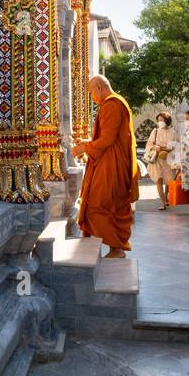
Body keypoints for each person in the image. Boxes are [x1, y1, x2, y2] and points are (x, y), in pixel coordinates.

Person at [73, 75, 139, 258]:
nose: (93, 97)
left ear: (100, 88)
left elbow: (108, 139)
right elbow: (110, 136)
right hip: (108, 160)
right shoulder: (114, 103)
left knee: (100, 203)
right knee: (103, 203)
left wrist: (83, 147)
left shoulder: (112, 104)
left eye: (92, 93)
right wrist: (88, 141)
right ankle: (111, 246)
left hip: (112, 163)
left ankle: (116, 248)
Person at [144, 112, 179, 211]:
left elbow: (176, 145)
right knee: (158, 180)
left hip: (168, 159)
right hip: (157, 159)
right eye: (158, 120)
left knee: (168, 180)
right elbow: (149, 144)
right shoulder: (155, 131)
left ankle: (166, 197)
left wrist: (168, 148)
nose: (160, 122)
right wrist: (154, 147)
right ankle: (163, 202)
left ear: (167, 121)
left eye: (162, 120)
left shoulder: (173, 133)